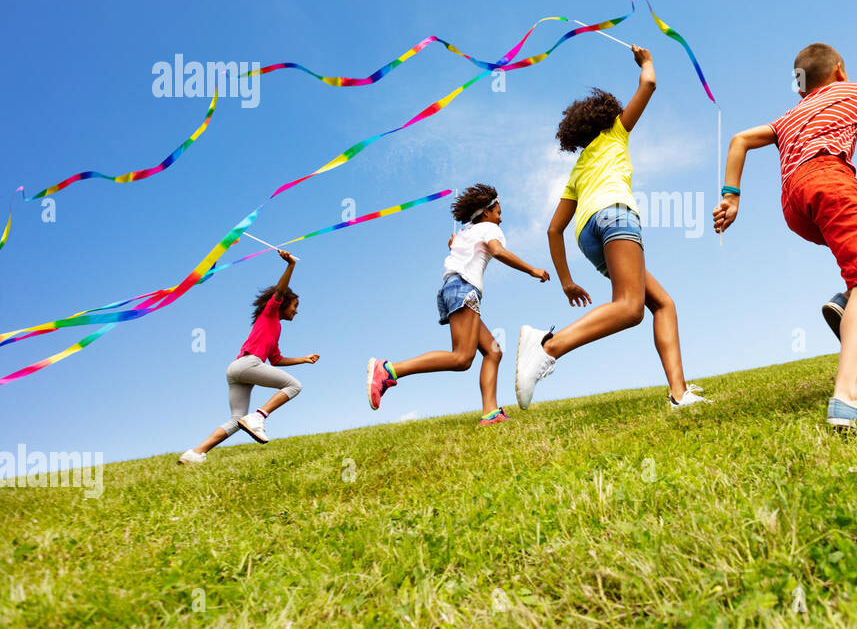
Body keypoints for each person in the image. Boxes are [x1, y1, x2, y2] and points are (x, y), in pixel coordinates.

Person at [712, 42, 857, 427]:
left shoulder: (791, 115)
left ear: (799, 86)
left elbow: (739, 140)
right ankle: (850, 399)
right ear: (840, 69)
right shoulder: (853, 91)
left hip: (796, 205)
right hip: (831, 182)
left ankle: (847, 304)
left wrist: (730, 197)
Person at [514, 45, 709, 411]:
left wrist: (567, 280)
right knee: (630, 308)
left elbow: (554, 230)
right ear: (607, 117)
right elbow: (648, 84)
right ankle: (547, 347)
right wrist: (646, 60)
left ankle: (679, 394)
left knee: (662, 304)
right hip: (616, 217)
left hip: (588, 235)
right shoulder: (616, 132)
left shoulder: (578, 169)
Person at [365, 184, 550, 425]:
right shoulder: (489, 228)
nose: (500, 218)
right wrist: (532, 269)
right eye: (498, 212)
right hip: (464, 289)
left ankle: (491, 412)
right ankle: (389, 370)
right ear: (486, 212)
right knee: (462, 358)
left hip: (453, 288)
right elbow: (497, 251)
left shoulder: (465, 233)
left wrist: (453, 245)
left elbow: (461, 256)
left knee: (493, 351)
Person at [178, 250, 319, 464]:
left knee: (237, 420)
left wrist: (303, 359)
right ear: (282, 304)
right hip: (247, 365)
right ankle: (259, 417)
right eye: (295, 306)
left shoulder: (275, 327)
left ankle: (195, 454)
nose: (297, 311)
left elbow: (276, 360)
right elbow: (280, 291)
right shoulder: (270, 312)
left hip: (236, 370)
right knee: (294, 386)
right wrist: (291, 265)